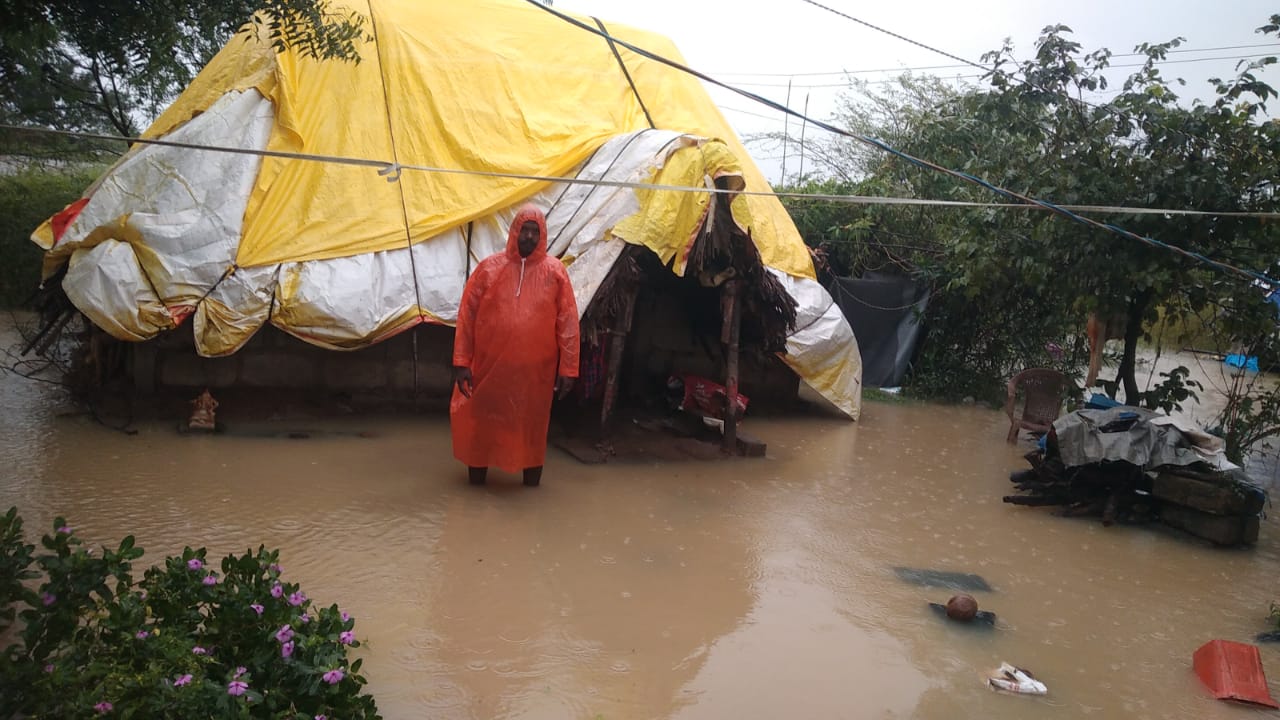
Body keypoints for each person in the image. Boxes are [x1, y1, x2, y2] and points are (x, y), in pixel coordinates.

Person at [450, 204, 579, 487]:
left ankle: (530, 488)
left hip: (534, 376)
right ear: (515, 231)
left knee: (531, 427)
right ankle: (476, 485)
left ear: (542, 235)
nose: (529, 237)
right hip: (487, 370)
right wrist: (461, 363)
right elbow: (467, 316)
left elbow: (568, 323)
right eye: (525, 230)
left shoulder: (555, 273)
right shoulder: (488, 269)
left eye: (535, 231)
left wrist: (568, 369)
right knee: (480, 423)